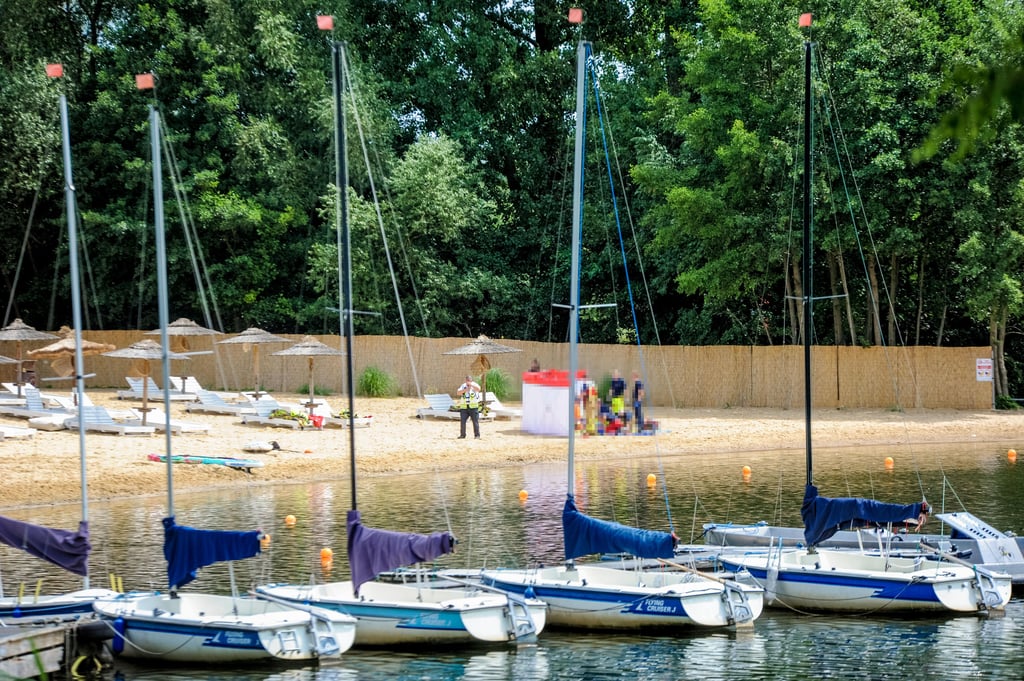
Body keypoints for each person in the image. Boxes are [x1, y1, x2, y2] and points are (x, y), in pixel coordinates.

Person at [456, 375, 482, 439]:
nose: (468, 382)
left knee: (475, 421)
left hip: (473, 407)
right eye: (467, 380)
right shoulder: (463, 386)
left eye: (469, 380)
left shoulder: (475, 385)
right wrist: (466, 390)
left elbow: (478, 389)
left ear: (471, 380)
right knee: (463, 422)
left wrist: (471, 386)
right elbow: (458, 393)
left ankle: (477, 435)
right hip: (464, 407)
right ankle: (462, 435)